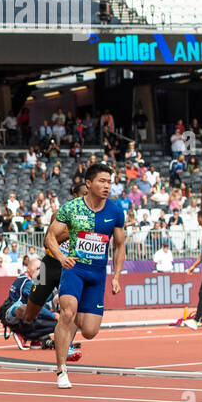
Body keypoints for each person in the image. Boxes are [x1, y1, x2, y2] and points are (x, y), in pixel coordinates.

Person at [46, 163, 126, 389]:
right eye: (102, 181)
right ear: (89, 184)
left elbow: (120, 246)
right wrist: (62, 257)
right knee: (68, 312)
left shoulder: (115, 212)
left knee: (89, 331)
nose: (107, 186)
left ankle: (69, 325)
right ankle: (61, 369)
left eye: (109, 182)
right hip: (74, 269)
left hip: (98, 274)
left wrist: (117, 276)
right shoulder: (71, 209)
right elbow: (50, 237)